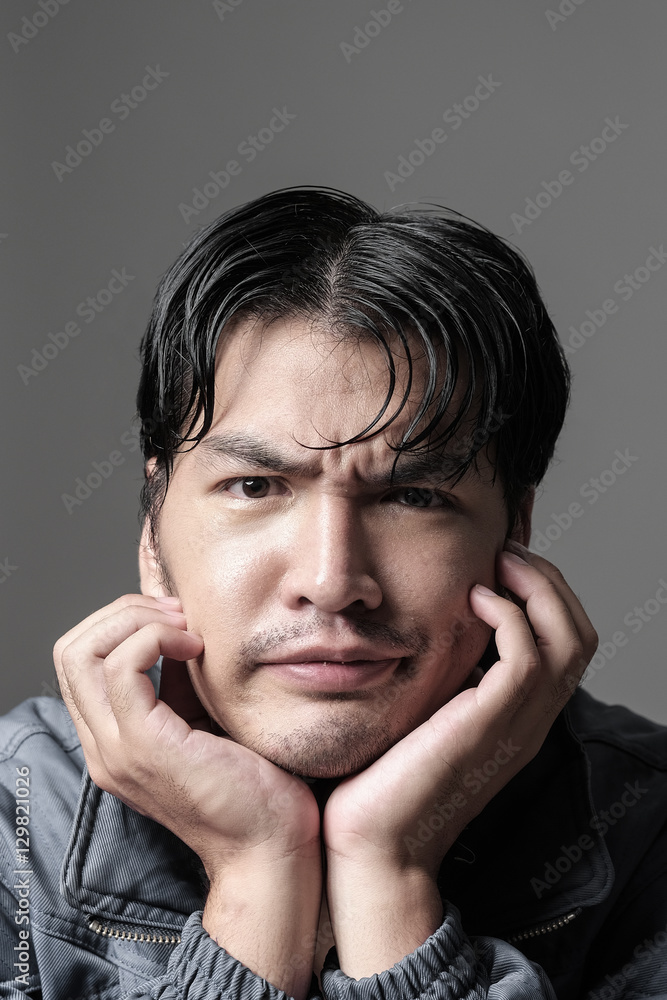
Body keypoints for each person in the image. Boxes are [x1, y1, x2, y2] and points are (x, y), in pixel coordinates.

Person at [1, 187, 665, 1000]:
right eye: (253, 486)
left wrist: (386, 868)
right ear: (154, 536)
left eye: (414, 497)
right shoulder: (13, 824)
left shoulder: (649, 831)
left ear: (511, 537)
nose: (330, 582)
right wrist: (257, 872)